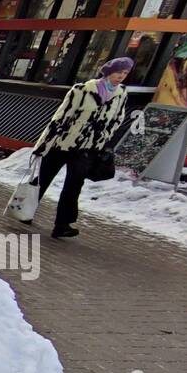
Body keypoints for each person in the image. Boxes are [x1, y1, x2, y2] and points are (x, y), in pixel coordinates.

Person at [32, 56, 132, 239]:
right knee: (44, 177)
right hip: (63, 142)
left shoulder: (121, 94)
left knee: (74, 184)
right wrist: (43, 144)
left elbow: (118, 118)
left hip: (88, 148)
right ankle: (24, 209)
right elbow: (60, 117)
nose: (121, 76)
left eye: (125, 73)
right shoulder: (82, 90)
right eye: (119, 72)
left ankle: (62, 225)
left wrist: (104, 135)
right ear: (109, 72)